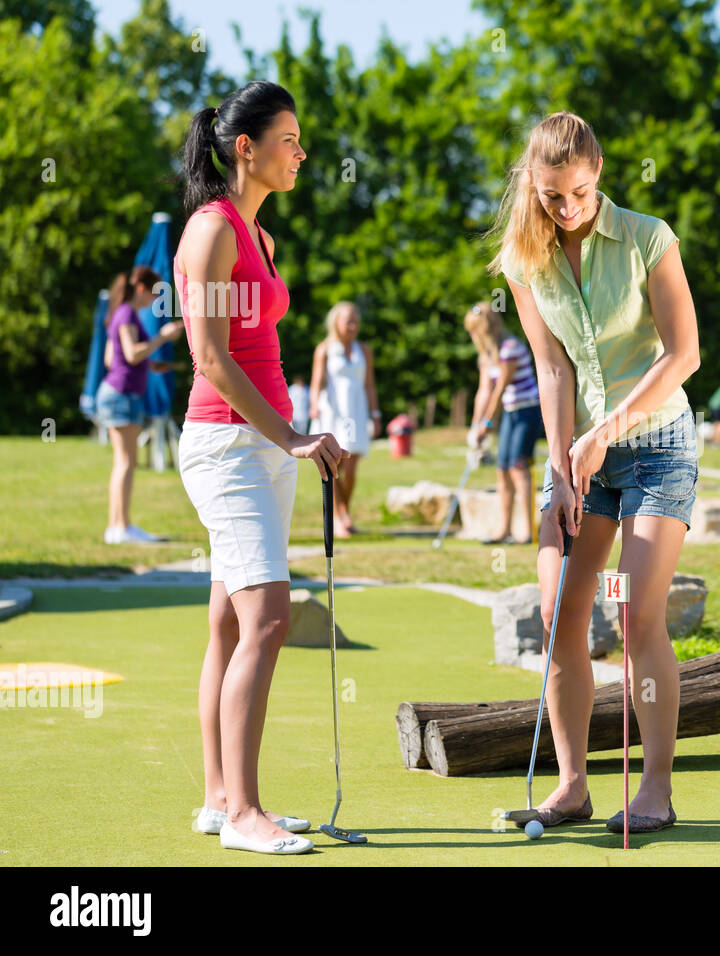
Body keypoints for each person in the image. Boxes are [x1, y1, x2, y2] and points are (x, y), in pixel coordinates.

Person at [491, 111, 700, 832]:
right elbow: (551, 368)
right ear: (534, 185)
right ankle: (573, 785)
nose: (568, 208)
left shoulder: (648, 237)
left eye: (578, 192)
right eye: (552, 196)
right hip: (583, 460)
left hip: (659, 446)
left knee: (636, 609)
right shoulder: (524, 258)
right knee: (558, 615)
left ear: (599, 172)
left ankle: (656, 791)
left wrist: (605, 432)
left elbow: (683, 354)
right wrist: (560, 472)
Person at [174, 80, 347, 855]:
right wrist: (292, 437)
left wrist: (290, 436)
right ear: (246, 148)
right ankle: (245, 817)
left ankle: (220, 798)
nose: (302, 153)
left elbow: (260, 352)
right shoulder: (209, 232)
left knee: (226, 622)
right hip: (227, 447)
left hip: (267, 444)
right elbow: (209, 357)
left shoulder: (261, 239)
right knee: (268, 620)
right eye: (289, 139)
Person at [96, 266, 184, 543]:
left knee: (122, 463)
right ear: (143, 288)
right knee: (126, 463)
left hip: (116, 392)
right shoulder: (127, 314)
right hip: (122, 395)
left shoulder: (118, 313)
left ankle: (117, 526)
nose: (155, 300)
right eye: (156, 293)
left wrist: (148, 365)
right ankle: (120, 528)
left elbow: (113, 359)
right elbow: (132, 353)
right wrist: (164, 337)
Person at [465, 300, 543, 544]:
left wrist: (487, 424)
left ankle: (528, 531)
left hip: (528, 411)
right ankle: (504, 528)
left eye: (476, 329)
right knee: (502, 469)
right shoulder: (487, 355)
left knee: (518, 466)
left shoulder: (510, 348)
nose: (474, 335)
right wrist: (476, 425)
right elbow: (484, 391)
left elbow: (500, 389)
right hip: (511, 412)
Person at [311, 301, 379, 536]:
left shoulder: (364, 350)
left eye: (356, 321)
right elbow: (317, 381)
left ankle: (343, 510)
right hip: (333, 412)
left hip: (356, 411)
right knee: (334, 464)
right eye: (348, 321)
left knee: (351, 466)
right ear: (336, 323)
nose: (353, 326)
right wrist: (313, 407)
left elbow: (369, 384)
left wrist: (375, 413)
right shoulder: (325, 349)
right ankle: (340, 517)